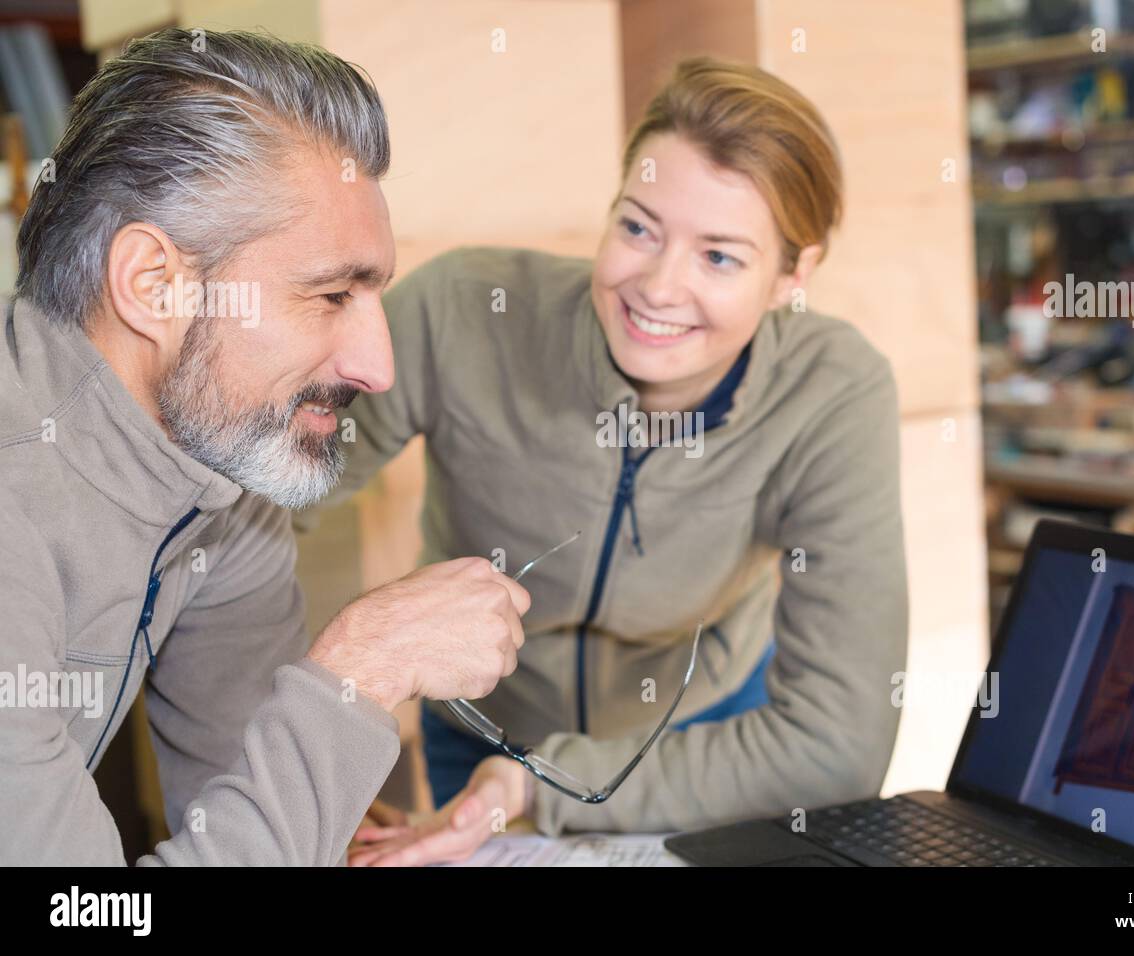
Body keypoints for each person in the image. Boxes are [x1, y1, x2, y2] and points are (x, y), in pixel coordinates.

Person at [334, 57, 910, 866]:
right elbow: (251, 513)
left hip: (714, 754)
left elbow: (836, 743)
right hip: (485, 733)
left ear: (793, 274)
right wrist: (309, 743)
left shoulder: (834, 392)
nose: (659, 289)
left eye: (720, 257)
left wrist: (541, 785)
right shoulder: (459, 312)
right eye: (639, 227)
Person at [0, 28, 529, 865]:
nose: (378, 368)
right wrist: (363, 667)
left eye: (373, 294)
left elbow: (249, 820)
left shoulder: (220, 478)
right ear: (151, 284)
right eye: (329, 294)